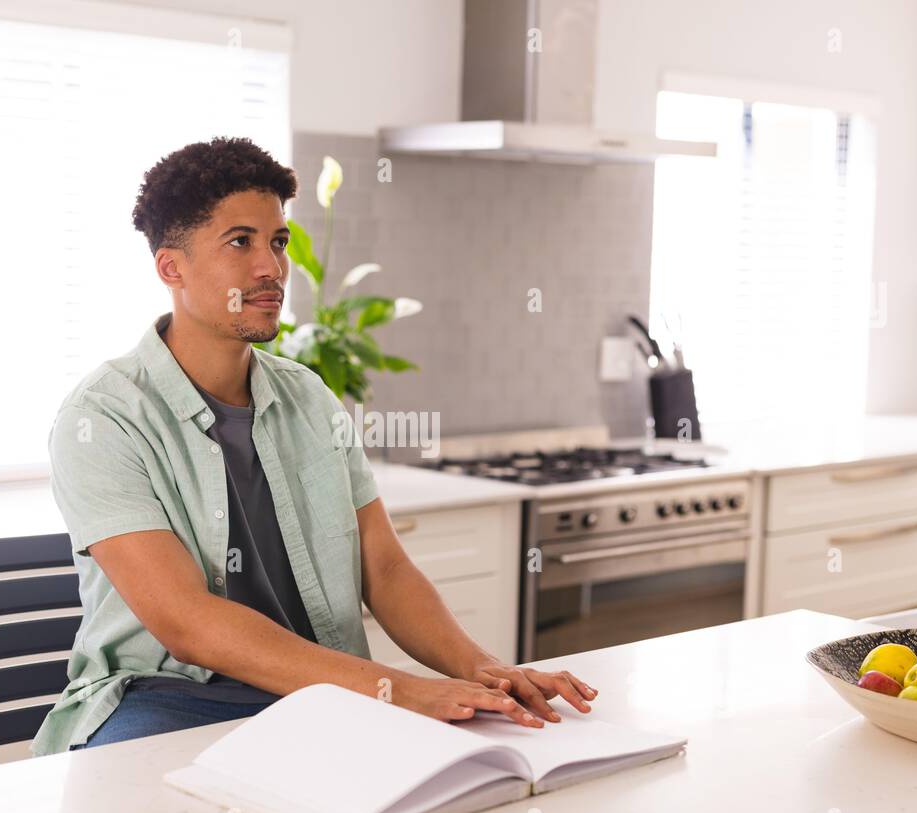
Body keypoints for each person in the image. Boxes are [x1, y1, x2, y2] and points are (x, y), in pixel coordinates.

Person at [29, 136, 596, 756]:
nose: (271, 267)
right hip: (163, 698)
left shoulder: (308, 397)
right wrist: (397, 690)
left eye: (278, 241)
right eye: (239, 242)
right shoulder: (104, 418)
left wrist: (481, 669)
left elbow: (383, 567)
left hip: (316, 693)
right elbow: (188, 623)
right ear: (172, 267)